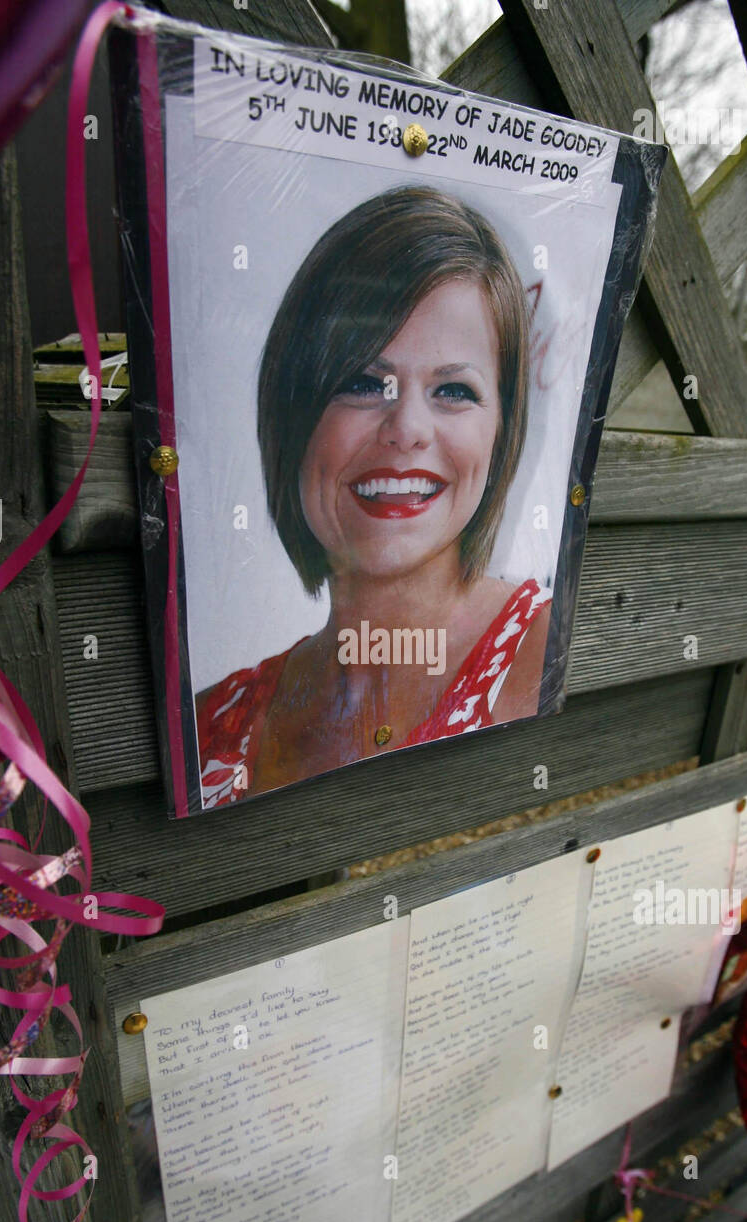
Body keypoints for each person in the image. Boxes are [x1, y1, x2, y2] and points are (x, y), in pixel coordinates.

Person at [197, 185, 551, 806]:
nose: (408, 429)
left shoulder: (551, 653)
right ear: (294, 417)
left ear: (502, 429)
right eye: (363, 381)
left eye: (455, 391)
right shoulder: (210, 720)